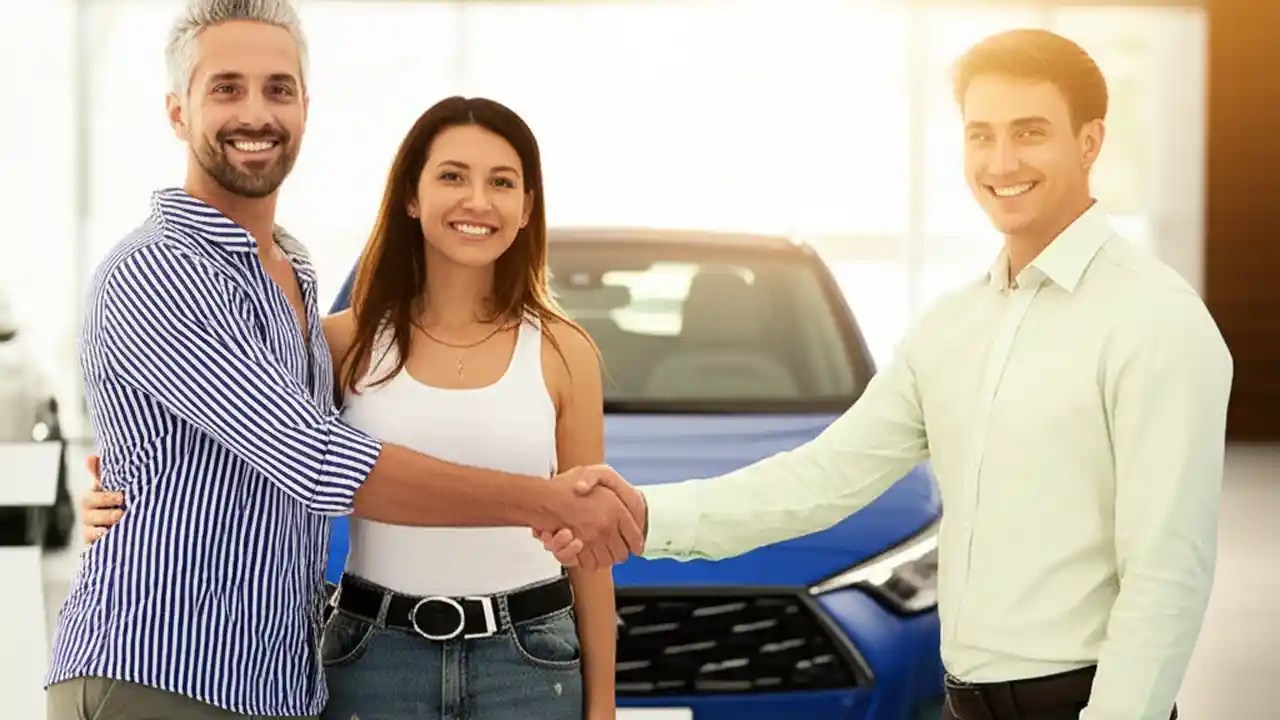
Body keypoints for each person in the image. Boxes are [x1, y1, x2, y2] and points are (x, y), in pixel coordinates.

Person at [542, 28, 1233, 720]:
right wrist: (641, 515)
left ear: (1089, 142)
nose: (1001, 161)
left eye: (1030, 133)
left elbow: (1168, 572)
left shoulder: (1155, 321)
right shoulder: (952, 327)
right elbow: (819, 481)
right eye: (979, 134)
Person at [54, 2, 639, 719]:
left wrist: (140, 485)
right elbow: (315, 458)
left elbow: (227, 450)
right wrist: (541, 499)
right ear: (178, 111)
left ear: (305, 107)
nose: (256, 111)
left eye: (277, 88)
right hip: (182, 662)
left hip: (293, 676)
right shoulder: (174, 275)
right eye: (226, 88)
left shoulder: (289, 273)